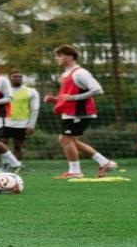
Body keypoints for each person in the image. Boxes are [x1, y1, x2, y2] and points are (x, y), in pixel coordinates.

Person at [43, 45, 118, 179]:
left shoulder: (80, 73)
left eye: (60, 55)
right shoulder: (65, 74)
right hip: (70, 113)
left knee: (65, 139)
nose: (57, 58)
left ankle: (75, 171)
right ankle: (104, 162)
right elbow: (68, 96)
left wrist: (73, 98)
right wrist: (54, 99)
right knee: (70, 140)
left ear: (70, 57)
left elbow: (98, 90)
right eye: (56, 56)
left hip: (80, 113)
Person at [2, 71, 40, 164]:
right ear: (9, 78)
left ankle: (17, 165)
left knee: (18, 146)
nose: (18, 78)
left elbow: (35, 109)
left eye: (20, 77)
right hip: (5, 122)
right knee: (2, 144)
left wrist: (31, 125)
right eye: (15, 76)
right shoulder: (3, 91)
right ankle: (4, 163)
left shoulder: (31, 91)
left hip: (22, 123)